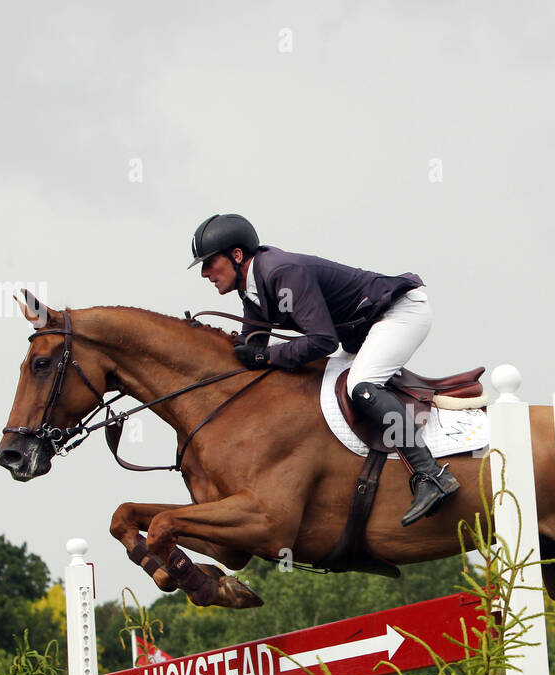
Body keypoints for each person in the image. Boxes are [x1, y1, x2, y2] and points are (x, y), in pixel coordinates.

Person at [188, 213, 459, 526]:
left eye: (209, 263)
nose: (205, 273)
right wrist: (210, 346)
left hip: (400, 314)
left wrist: (265, 357)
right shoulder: (251, 290)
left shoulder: (281, 272)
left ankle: (431, 475)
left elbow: (322, 341)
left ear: (236, 256)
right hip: (366, 329)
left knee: (361, 385)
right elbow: (253, 349)